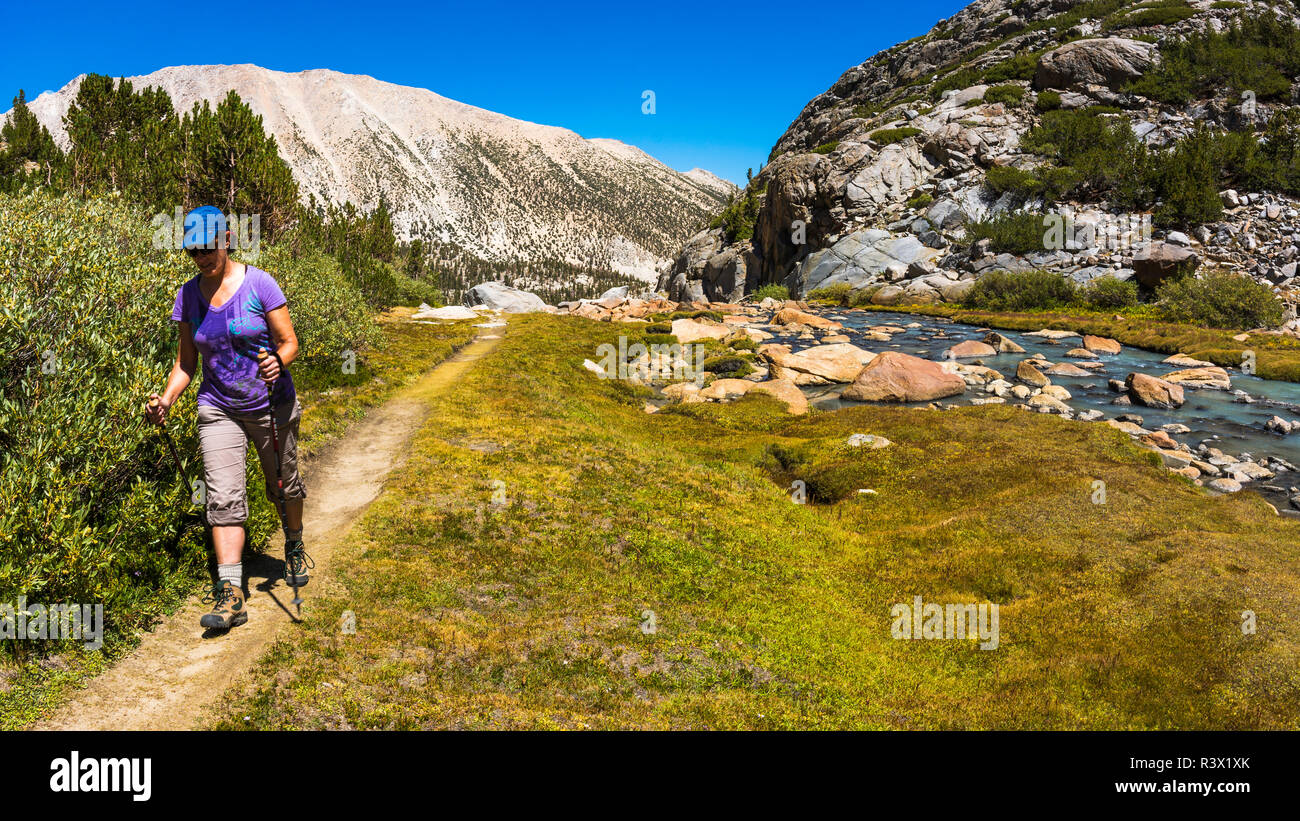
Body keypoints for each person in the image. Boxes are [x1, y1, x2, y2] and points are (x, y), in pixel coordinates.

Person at [144, 206, 310, 630]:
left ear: (228, 239)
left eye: (207, 247)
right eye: (193, 251)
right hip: (218, 407)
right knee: (222, 497)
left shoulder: (260, 284)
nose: (201, 257)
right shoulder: (188, 296)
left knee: (284, 484)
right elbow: (186, 364)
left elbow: (289, 342)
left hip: (271, 406)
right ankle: (231, 593)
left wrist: (277, 360)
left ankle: (293, 543)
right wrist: (166, 399)